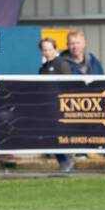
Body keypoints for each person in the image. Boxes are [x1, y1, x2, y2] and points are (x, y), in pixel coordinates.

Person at [38, 37, 76, 172]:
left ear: (55, 49)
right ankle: (63, 161)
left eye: (50, 49)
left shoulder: (62, 64)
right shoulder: (42, 69)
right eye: (44, 50)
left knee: (59, 134)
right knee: (49, 135)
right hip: (47, 107)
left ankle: (67, 160)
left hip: (60, 106)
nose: (47, 52)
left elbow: (69, 85)